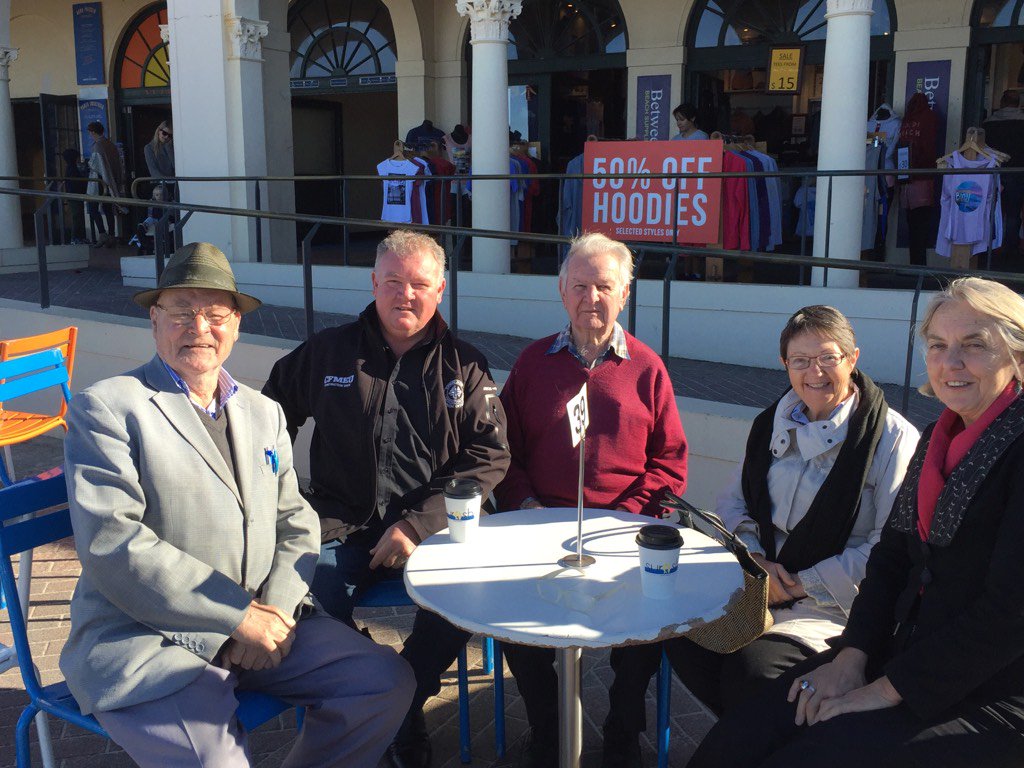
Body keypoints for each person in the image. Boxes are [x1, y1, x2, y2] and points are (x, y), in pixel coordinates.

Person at [61, 242, 415, 768]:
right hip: (153, 638)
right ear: (154, 320)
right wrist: (236, 617)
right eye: (181, 311)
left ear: (236, 325)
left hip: (265, 621)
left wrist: (275, 612)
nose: (199, 328)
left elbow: (296, 521)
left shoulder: (263, 411)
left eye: (215, 314)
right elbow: (112, 542)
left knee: (383, 682)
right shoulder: (109, 407)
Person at [688, 277, 1024, 768]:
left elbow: (1008, 615)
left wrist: (885, 689)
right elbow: (891, 558)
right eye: (938, 345)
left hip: (988, 690)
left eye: (974, 345)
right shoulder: (939, 437)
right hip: (901, 651)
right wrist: (852, 657)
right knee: (736, 741)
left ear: (1016, 354)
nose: (951, 362)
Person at [606, 306, 919, 763]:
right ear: (784, 364)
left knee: (751, 675)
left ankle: (753, 742)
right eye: (800, 360)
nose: (814, 372)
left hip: (831, 605)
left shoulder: (891, 439)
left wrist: (799, 582)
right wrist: (755, 560)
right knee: (673, 627)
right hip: (757, 583)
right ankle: (750, 740)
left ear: (853, 359)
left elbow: (887, 549)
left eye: (828, 358)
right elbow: (734, 503)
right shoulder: (773, 420)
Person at [262, 229, 510, 768]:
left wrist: (419, 524)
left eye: (419, 283)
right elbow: (267, 419)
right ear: (374, 283)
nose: (405, 294)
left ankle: (404, 702)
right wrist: (282, 496)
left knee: (466, 600)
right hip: (339, 525)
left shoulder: (467, 366)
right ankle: (376, 681)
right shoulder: (327, 350)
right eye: (393, 281)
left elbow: (489, 456)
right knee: (299, 598)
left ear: (440, 289)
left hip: (434, 531)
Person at [494, 232, 688, 768]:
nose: (591, 298)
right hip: (539, 527)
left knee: (650, 625)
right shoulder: (533, 363)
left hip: (624, 530)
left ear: (625, 293)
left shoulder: (647, 367)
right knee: (511, 621)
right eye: (580, 286)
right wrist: (526, 506)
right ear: (562, 292)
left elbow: (670, 462)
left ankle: (623, 729)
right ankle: (550, 726)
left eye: (604, 286)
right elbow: (503, 452)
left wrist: (623, 519)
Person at [897, 92, 940, 267]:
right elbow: (929, 148)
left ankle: (913, 263)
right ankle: (919, 265)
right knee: (922, 225)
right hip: (923, 178)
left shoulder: (906, 120)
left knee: (912, 224)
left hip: (905, 178)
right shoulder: (929, 117)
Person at [982, 90, 1024, 262]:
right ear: (1018, 103)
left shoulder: (988, 124)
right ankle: (1011, 249)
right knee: (1014, 213)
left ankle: (990, 248)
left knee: (992, 211)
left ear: (1002, 102)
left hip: (994, 172)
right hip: (1017, 172)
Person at [85, 121, 126, 248]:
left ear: (93, 132)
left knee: (93, 207)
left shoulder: (98, 146)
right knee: (108, 208)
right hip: (111, 180)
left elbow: (95, 165)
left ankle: (103, 233)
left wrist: (88, 164)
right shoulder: (111, 145)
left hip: (100, 181)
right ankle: (112, 235)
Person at [145, 120, 176, 200]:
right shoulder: (149, 148)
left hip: (173, 185)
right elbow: (153, 170)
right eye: (164, 133)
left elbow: (175, 166)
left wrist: (169, 149)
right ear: (158, 131)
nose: (166, 137)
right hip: (158, 186)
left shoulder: (172, 147)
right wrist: (168, 181)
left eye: (170, 135)